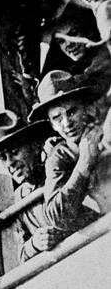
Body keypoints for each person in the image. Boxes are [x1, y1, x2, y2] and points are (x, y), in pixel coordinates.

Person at [0, 109, 92, 261]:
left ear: (35, 146)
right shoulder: (17, 198)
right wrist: (35, 243)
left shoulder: (61, 170)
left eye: (15, 151)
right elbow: (20, 255)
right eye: (4, 158)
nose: (10, 163)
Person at [32, 69, 111, 227]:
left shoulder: (107, 131)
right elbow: (56, 217)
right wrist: (84, 164)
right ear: (51, 125)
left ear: (85, 108)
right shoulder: (59, 157)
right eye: (57, 118)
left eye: (72, 112)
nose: (67, 123)